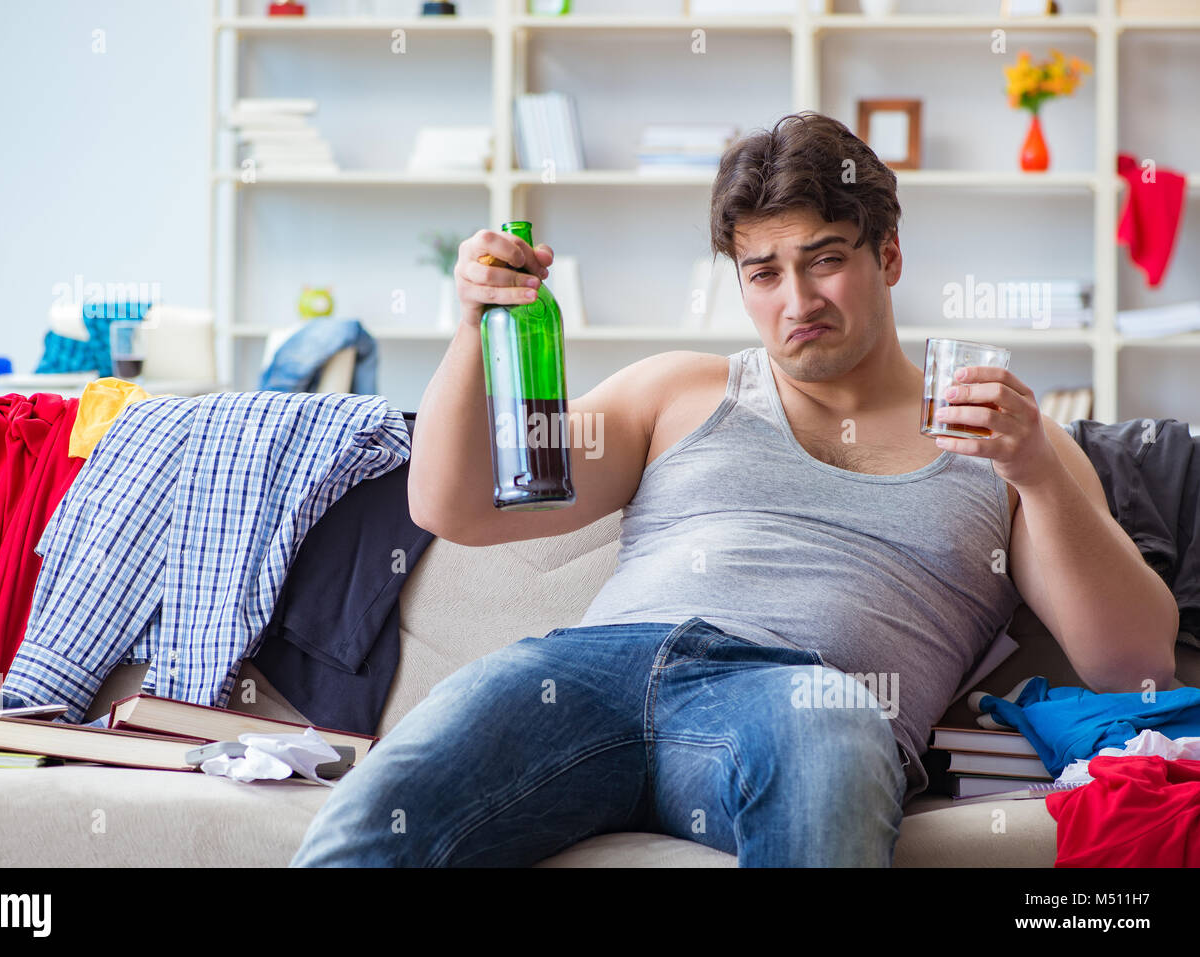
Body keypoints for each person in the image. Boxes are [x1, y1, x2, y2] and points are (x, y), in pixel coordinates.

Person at [291, 111, 1178, 868]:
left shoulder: (1005, 438)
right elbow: (455, 505)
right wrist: (473, 327)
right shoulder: (680, 390)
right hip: (582, 678)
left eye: (825, 259)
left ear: (890, 255)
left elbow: (1133, 666)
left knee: (832, 724)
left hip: (803, 697)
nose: (798, 299)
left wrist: (1038, 477)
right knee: (374, 817)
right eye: (764, 272)